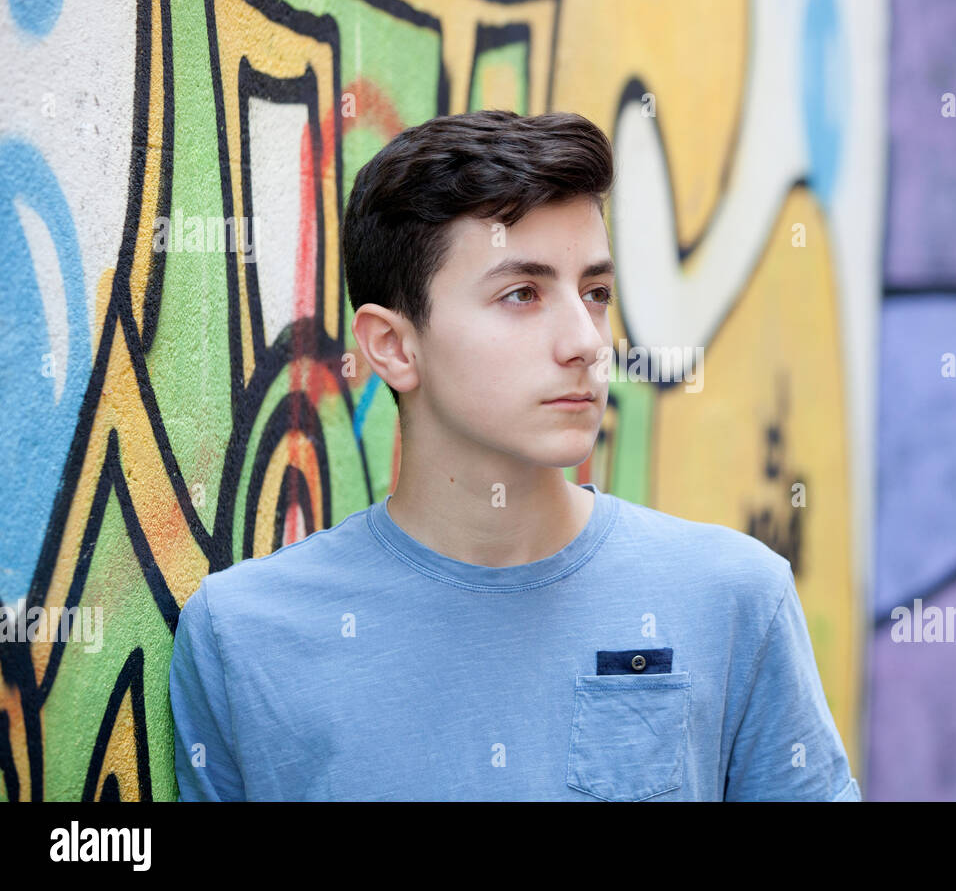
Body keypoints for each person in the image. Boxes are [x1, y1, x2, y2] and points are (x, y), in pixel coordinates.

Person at [168, 109, 860, 801]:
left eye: (596, 294)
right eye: (522, 294)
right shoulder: (244, 639)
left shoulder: (732, 600)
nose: (586, 341)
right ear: (392, 346)